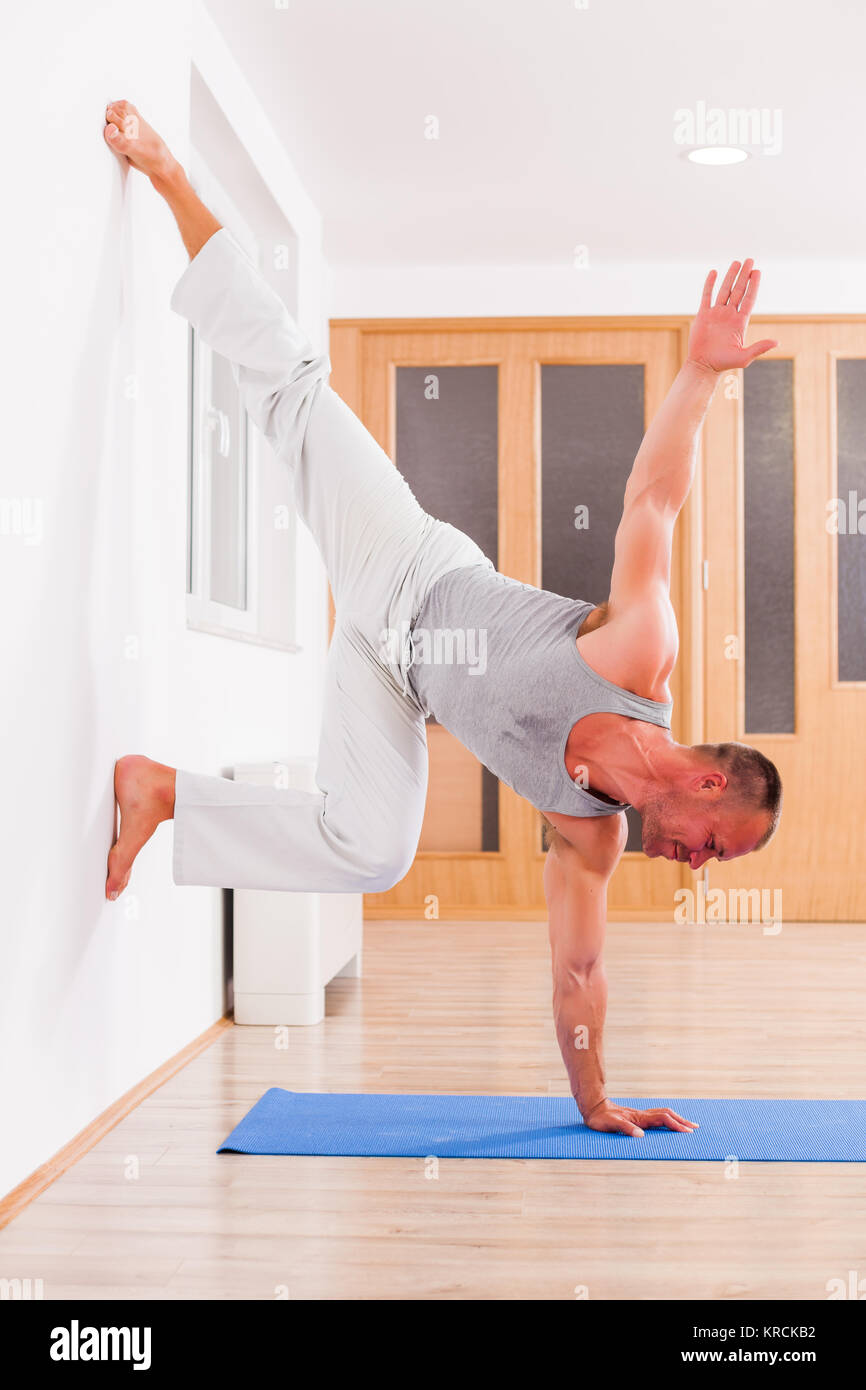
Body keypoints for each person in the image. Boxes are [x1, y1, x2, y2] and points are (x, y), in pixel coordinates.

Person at [102, 101, 781, 1138]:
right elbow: (652, 499)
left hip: (393, 674)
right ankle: (168, 173)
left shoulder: (587, 831)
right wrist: (694, 372)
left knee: (371, 851)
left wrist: (593, 1101)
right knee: (289, 388)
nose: (695, 869)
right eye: (713, 848)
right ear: (701, 783)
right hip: (409, 564)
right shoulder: (639, 655)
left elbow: (580, 971)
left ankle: (159, 792)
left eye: (711, 865)